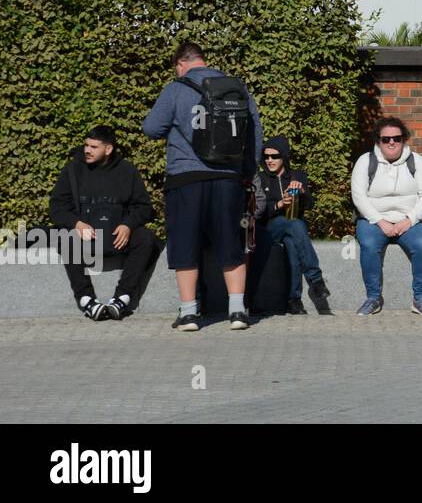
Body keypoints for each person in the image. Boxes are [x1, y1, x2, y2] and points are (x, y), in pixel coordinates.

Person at [143, 42, 263, 331]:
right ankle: (237, 312)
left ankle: (188, 314)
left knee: (185, 243)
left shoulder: (176, 89)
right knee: (231, 242)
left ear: (180, 64)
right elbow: (255, 130)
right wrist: (247, 172)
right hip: (227, 178)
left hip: (186, 178)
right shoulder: (235, 87)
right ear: (203, 60)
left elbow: (151, 128)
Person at [49, 126, 162, 320]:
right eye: (86, 145)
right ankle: (87, 300)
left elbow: (143, 207)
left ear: (108, 149)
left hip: (118, 238)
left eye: (93, 146)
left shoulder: (127, 170)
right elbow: (57, 206)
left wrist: (128, 225)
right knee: (66, 238)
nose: (87, 150)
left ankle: (122, 299)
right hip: (85, 237)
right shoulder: (73, 170)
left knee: (146, 239)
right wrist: (76, 223)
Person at [349, 117, 422, 315]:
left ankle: (420, 299)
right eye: (386, 138)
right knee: (369, 246)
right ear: (378, 140)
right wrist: (380, 222)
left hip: (408, 220)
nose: (391, 142)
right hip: (373, 220)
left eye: (396, 138)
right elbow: (359, 197)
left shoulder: (416, 161)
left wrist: (409, 220)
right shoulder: (365, 161)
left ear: (404, 139)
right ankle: (373, 298)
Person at [252, 136, 331, 315]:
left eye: (275, 156)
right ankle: (316, 281)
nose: (269, 160)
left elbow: (309, 205)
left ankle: (294, 300)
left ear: (284, 157)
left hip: (294, 229)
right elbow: (258, 212)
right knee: (293, 224)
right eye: (266, 157)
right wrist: (279, 204)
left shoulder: (297, 176)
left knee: (292, 244)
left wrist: (301, 193)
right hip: (270, 227)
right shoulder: (262, 178)